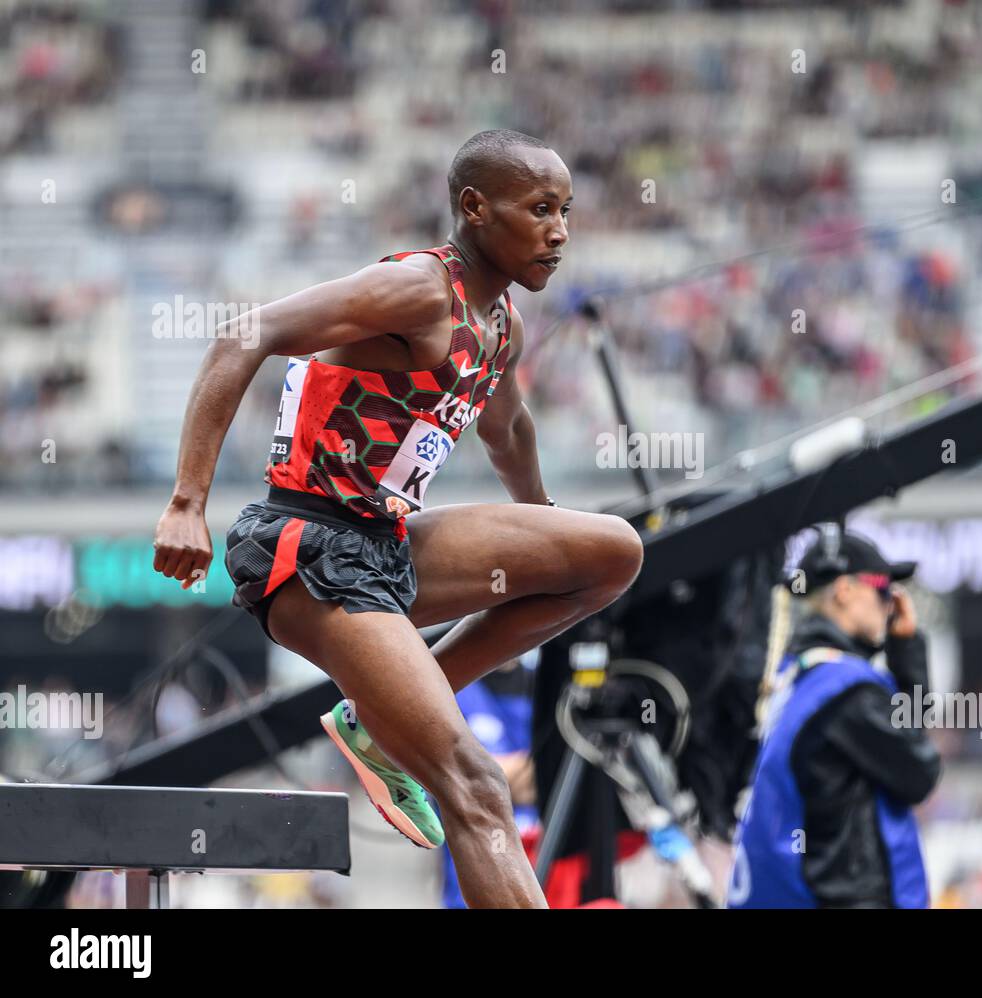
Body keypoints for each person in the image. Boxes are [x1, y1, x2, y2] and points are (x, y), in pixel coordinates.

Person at [151, 129, 644, 908]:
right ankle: (389, 727)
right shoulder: (420, 290)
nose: (560, 232)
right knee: (476, 784)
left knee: (612, 552)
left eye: (567, 212)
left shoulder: (501, 326)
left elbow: (507, 431)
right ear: (475, 209)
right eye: (541, 209)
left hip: (384, 543)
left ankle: (377, 727)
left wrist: (540, 524)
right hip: (306, 548)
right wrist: (187, 501)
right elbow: (247, 333)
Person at [727, 523, 940, 909]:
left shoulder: (794, 679)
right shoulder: (847, 691)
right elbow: (919, 771)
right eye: (883, 590)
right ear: (844, 591)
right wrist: (907, 655)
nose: (891, 604)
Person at [441, 654, 538, 909]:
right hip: (471, 880)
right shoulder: (445, 683)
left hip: (542, 871)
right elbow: (468, 781)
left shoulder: (542, 684)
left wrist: (493, 773)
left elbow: (547, 775)